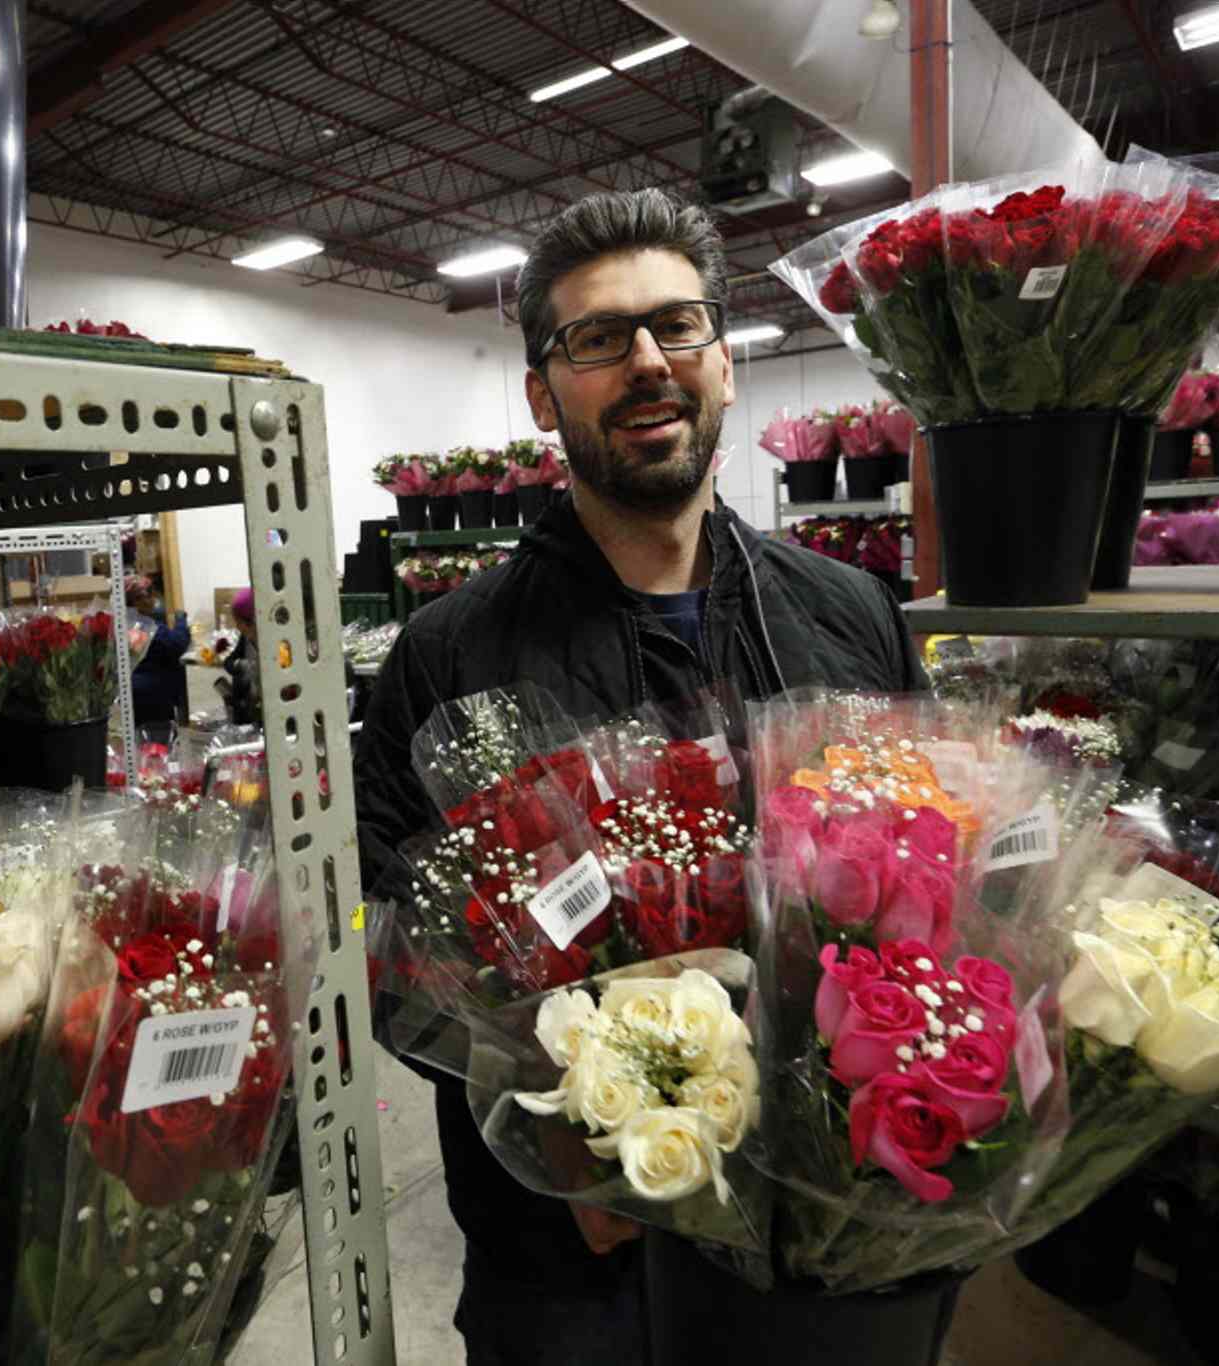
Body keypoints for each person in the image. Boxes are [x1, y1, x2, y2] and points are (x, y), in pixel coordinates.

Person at [352, 188, 930, 1365]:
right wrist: (571, 1120)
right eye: (598, 339)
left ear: (723, 359)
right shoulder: (447, 656)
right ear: (540, 391)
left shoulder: (852, 615)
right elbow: (386, 951)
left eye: (677, 326)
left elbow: (934, 887)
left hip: (827, 1231)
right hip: (568, 1268)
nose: (648, 363)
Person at [124, 575, 190, 727]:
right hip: (153, 695)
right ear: (136, 602)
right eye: (149, 595)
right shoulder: (147, 627)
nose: (154, 600)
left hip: (135, 693)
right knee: (157, 742)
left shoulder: (127, 622)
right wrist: (181, 620)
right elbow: (177, 644)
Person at [217, 586, 261, 726]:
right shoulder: (245, 638)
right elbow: (229, 662)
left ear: (251, 621)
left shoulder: (275, 642)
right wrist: (240, 665)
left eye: (238, 622)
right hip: (245, 709)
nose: (237, 626)